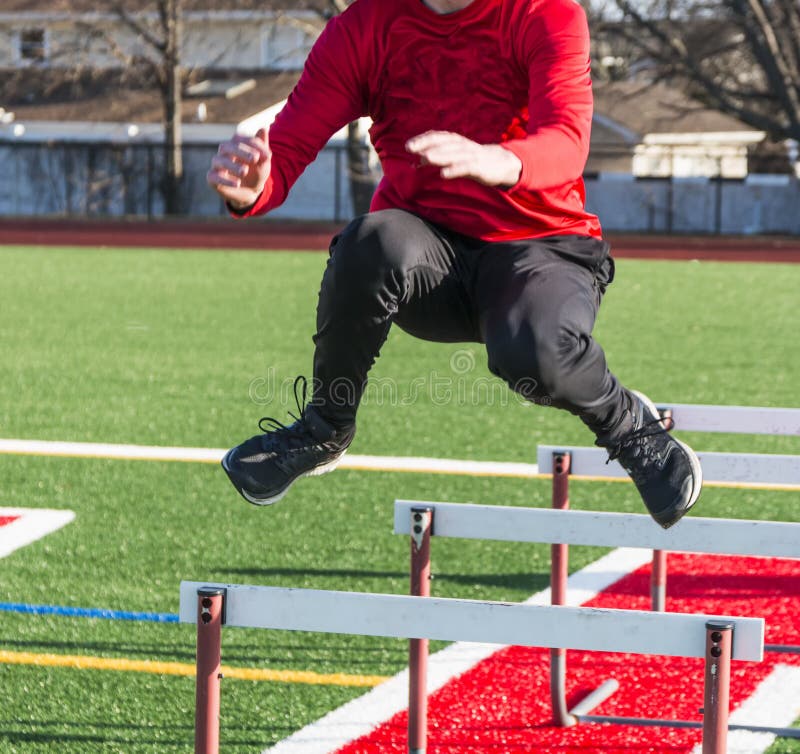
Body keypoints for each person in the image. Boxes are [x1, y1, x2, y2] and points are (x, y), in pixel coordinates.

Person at [207, 0, 702, 528]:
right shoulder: (364, 28)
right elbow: (286, 148)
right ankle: (325, 428)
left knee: (532, 353)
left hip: (538, 246)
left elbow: (568, 138)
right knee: (370, 242)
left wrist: (503, 159)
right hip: (429, 260)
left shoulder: (545, 13)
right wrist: (254, 186)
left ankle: (629, 426)